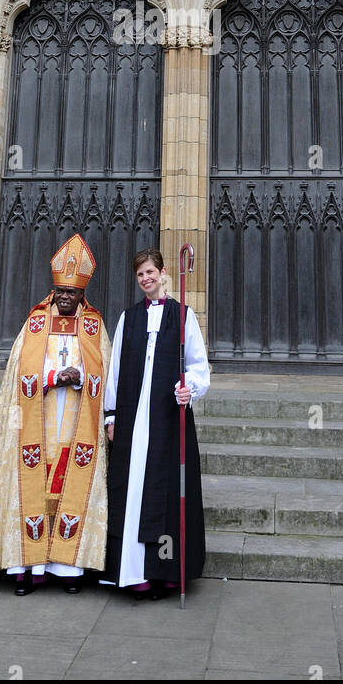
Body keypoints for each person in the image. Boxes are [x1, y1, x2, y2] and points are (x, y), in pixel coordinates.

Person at [0, 233, 110, 594]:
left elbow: (107, 373)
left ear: (82, 294)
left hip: (78, 424)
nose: (64, 297)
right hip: (36, 421)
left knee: (66, 488)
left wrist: (81, 377)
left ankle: (67, 570)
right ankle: (27, 567)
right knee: (32, 487)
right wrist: (53, 376)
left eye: (71, 293)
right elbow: (18, 373)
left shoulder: (94, 327)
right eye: (60, 290)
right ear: (54, 289)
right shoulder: (35, 324)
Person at [103, 248, 210, 598]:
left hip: (166, 419)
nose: (146, 279)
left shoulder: (183, 316)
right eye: (140, 275)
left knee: (163, 491)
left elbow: (197, 364)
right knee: (132, 489)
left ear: (164, 273)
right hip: (133, 416)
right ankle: (133, 571)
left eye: (150, 272)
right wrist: (111, 415)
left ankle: (164, 570)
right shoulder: (128, 318)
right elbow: (115, 371)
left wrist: (188, 389)